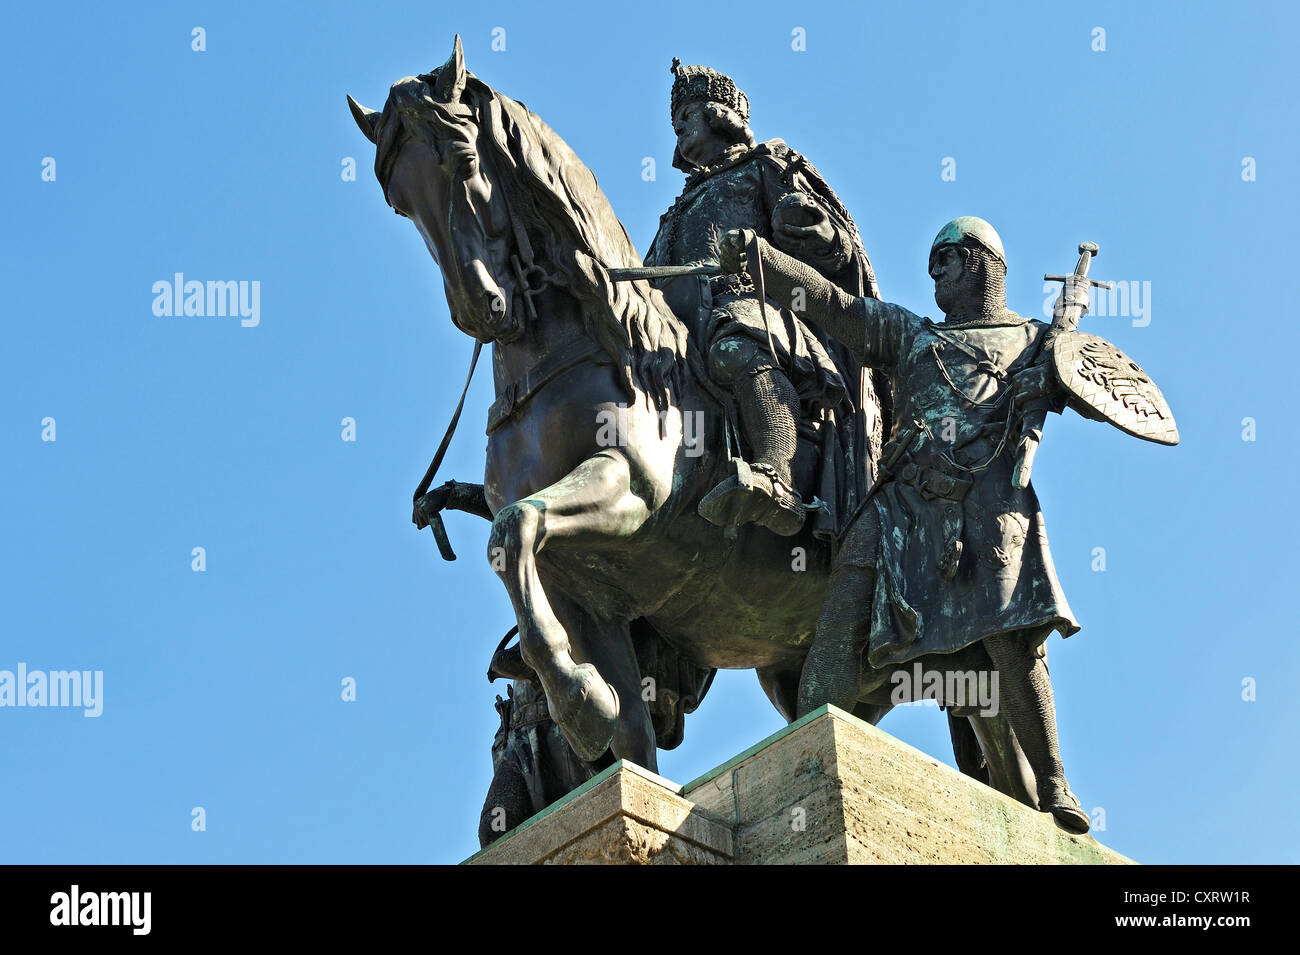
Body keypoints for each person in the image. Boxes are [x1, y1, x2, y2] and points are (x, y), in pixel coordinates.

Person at [718, 216, 1092, 832]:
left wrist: (1048, 379)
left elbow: (1089, 385)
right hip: (898, 511)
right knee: (836, 634)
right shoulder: (910, 336)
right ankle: (810, 761)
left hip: (991, 508)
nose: (932, 275)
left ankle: (1053, 784)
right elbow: (837, 307)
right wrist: (763, 258)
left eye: (941, 261)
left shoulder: (1034, 340)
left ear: (977, 262)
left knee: (1014, 638)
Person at [646, 59, 883, 536]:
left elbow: (836, 246)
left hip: (753, 308)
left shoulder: (764, 166)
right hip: (682, 323)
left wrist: (815, 231)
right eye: (675, 129)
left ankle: (779, 474)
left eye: (685, 121)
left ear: (718, 115)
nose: (679, 137)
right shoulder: (675, 211)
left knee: (735, 342)